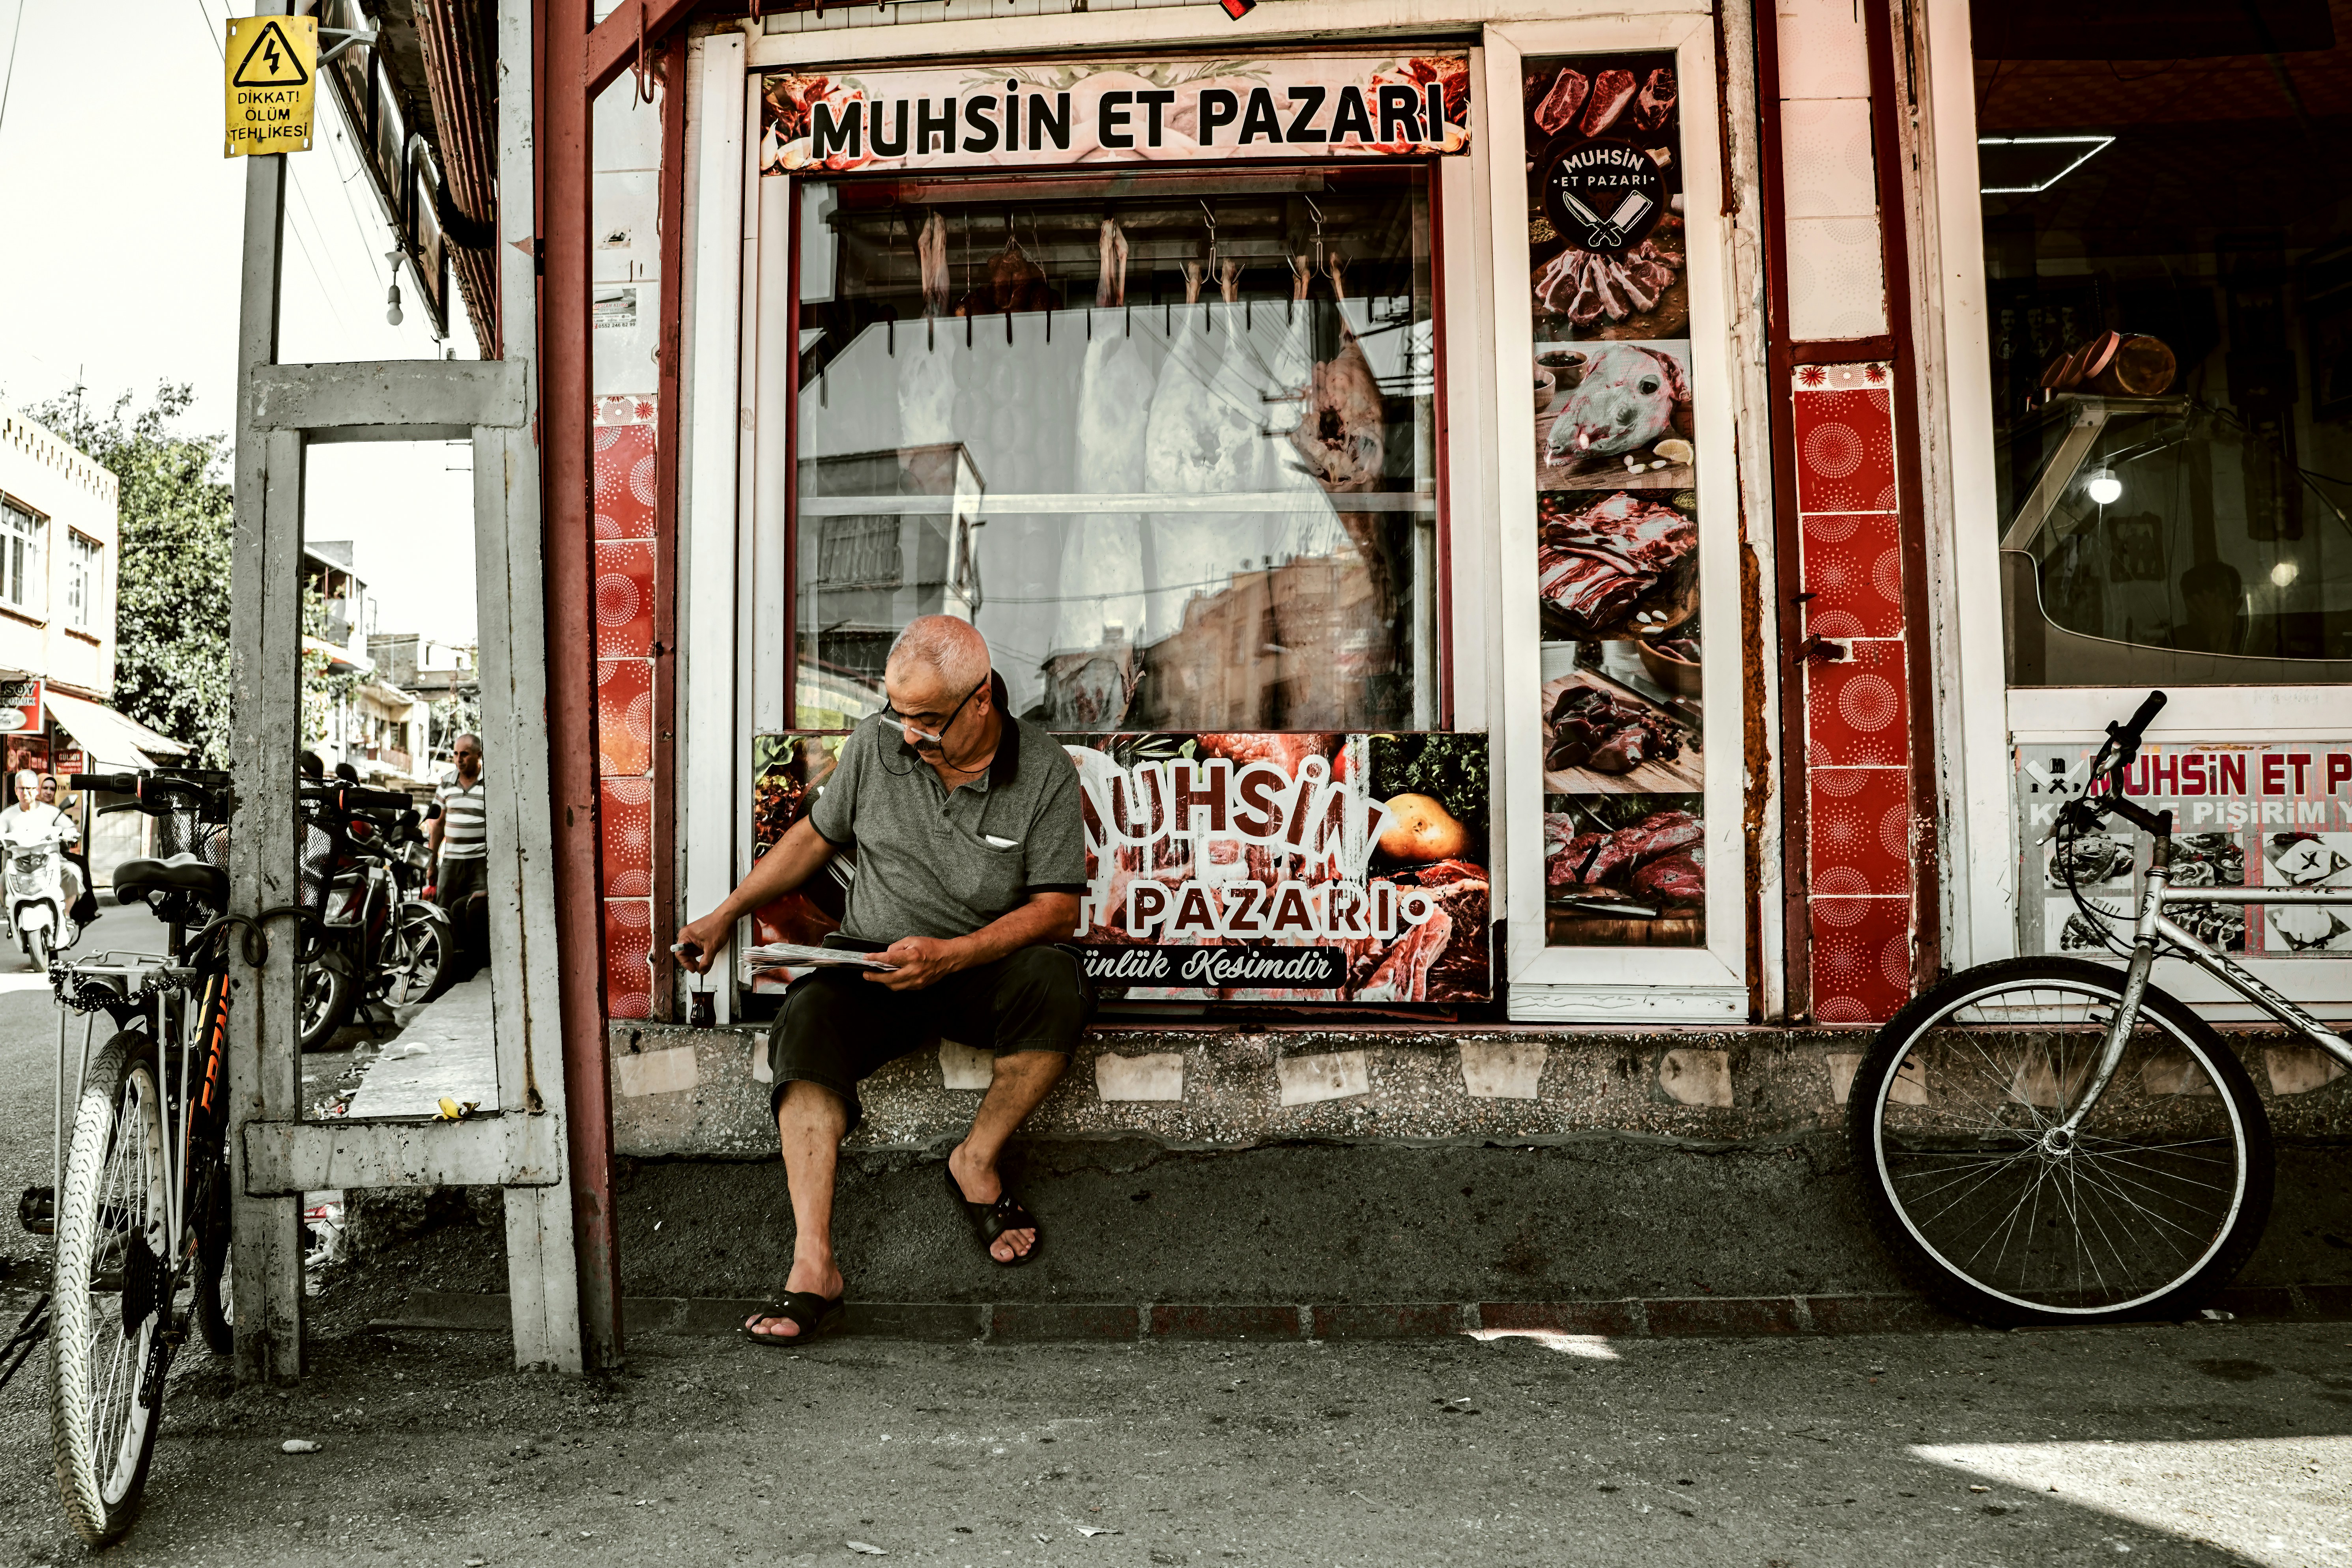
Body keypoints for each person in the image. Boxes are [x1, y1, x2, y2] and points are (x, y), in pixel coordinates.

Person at [674, 617, 1092, 1346]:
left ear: (982, 701)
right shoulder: (875, 744)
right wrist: (722, 916)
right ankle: (814, 1266)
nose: (908, 735)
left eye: (927, 721)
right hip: (871, 961)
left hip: (978, 967)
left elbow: (1056, 910)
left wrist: (954, 955)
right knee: (802, 1027)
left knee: (1058, 984)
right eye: (898, 714)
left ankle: (976, 1162)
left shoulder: (1046, 771)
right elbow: (813, 836)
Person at [427, 734, 488, 973]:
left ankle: (477, 963)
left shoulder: (490, 782)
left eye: (465, 754)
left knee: (478, 912)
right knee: (443, 911)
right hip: (452, 861)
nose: (459, 759)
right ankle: (448, 963)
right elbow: (438, 824)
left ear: (478, 756)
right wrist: (432, 862)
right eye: (456, 754)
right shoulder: (446, 783)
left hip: (481, 861)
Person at [0, 769, 84, 940]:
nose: (26, 793)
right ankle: (12, 918)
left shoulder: (51, 812)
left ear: (37, 790)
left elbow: (71, 828)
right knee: (2, 882)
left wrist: (69, 833)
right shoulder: (7, 815)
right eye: (21, 789)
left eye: (30, 788)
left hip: (51, 861)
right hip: (19, 864)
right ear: (16, 790)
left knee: (73, 871)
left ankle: (66, 915)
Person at [40, 776, 99, 927]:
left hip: (56, 853)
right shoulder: (28, 811)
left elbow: (71, 829)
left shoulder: (54, 811)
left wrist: (69, 833)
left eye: (52, 789)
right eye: (45, 788)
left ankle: (80, 913)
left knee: (80, 863)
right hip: (33, 855)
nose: (48, 792)